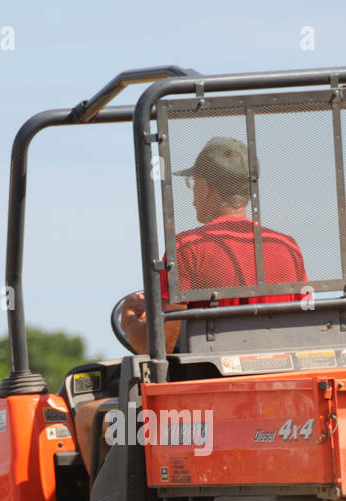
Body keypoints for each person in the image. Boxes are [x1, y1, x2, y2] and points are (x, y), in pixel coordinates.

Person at [119, 136, 309, 354]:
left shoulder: (186, 248)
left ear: (205, 186)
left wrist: (130, 322)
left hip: (213, 379)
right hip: (284, 377)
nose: (192, 196)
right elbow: (306, 316)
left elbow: (164, 346)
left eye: (193, 184)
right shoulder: (288, 247)